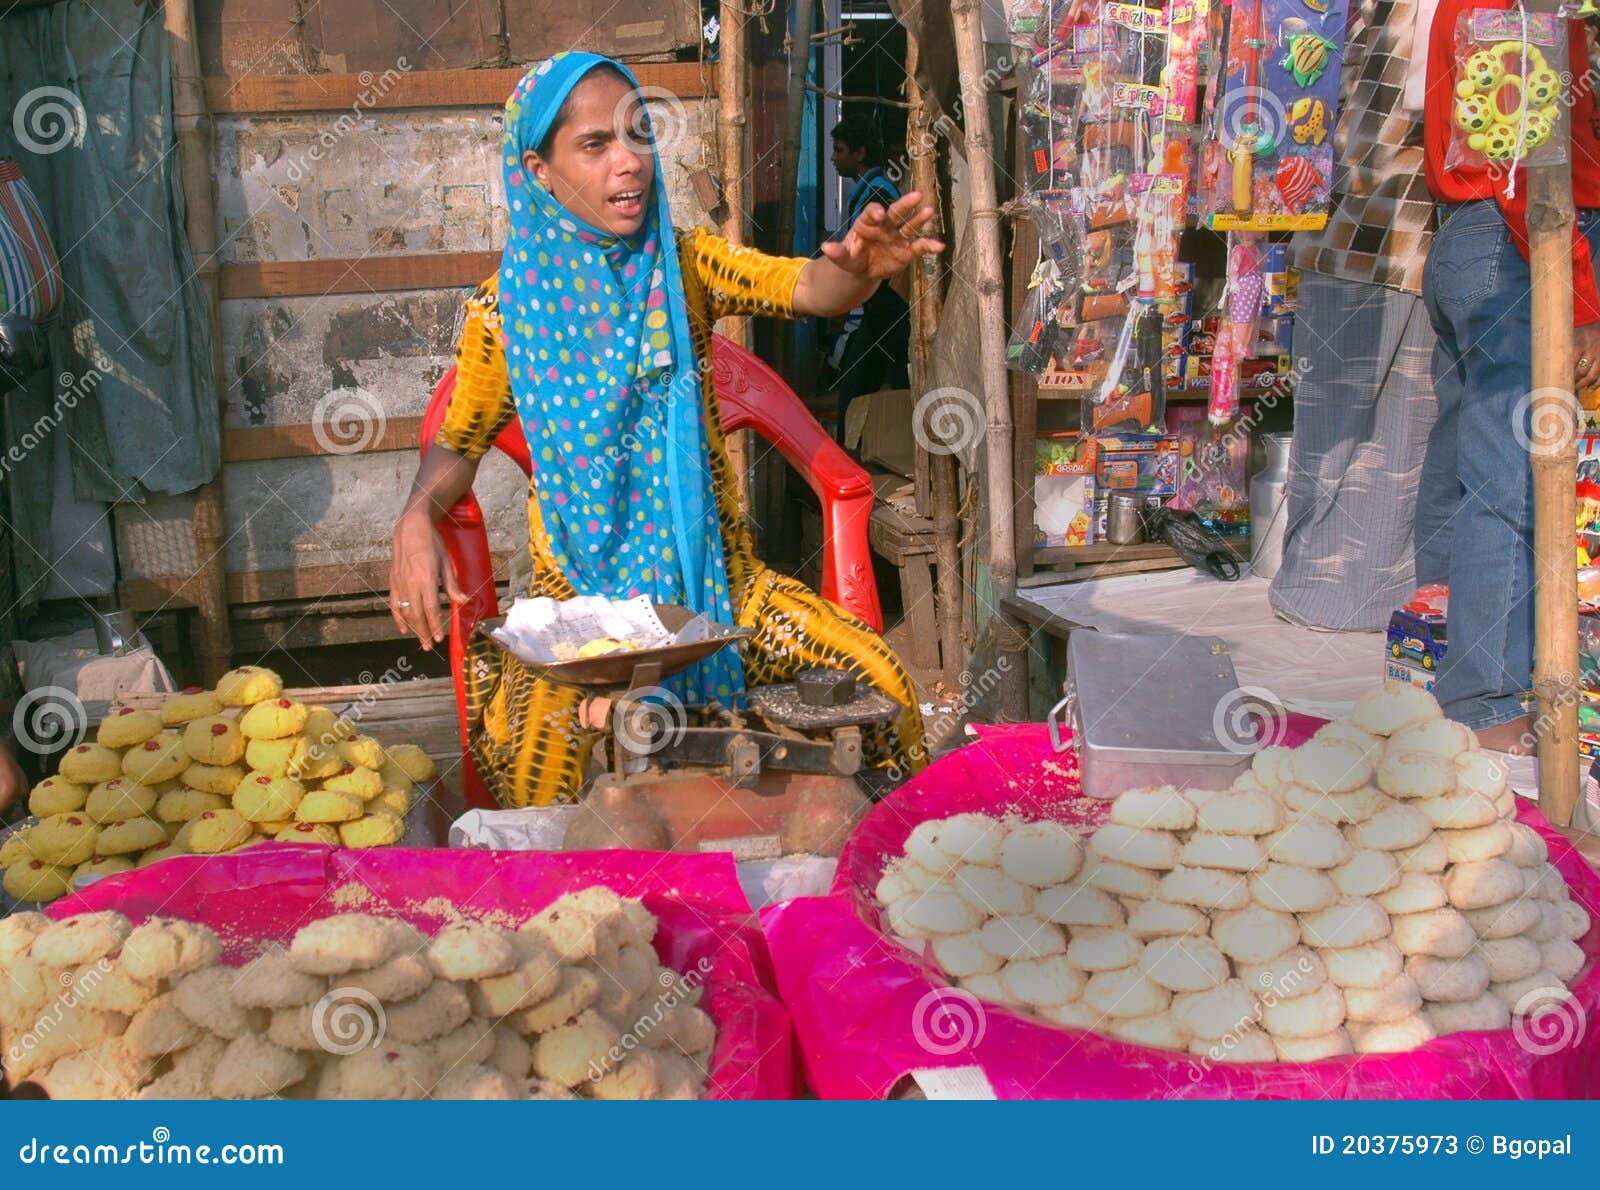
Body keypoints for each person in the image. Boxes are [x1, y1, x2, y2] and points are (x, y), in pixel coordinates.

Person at [388, 54, 941, 807]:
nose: (630, 162)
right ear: (538, 171)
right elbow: (457, 443)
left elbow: (802, 286)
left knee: (879, 691)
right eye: (596, 145)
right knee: (537, 771)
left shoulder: (682, 268)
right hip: (578, 613)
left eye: (640, 133)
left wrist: (861, 271)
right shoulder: (503, 315)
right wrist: (415, 517)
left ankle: (876, 876)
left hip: (722, 595)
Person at [1422, 1, 1600, 749]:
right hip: (1522, 246)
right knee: (1511, 481)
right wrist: (1581, 296)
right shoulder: (1516, 9)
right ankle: (1487, 702)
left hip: (1475, 240)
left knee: (1460, 476)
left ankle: (1429, 666)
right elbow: (1524, 164)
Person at [1270, 0, 1442, 632]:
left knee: (1349, 429)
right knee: (1391, 430)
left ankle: (1327, 588)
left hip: (1356, 231)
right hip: (1391, 230)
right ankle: (1354, 595)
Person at [826, 115, 911, 443]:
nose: (834, 157)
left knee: (865, 387)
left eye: (839, 150)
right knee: (872, 385)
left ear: (859, 154)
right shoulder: (871, 190)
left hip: (887, 306)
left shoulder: (876, 193)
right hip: (880, 308)